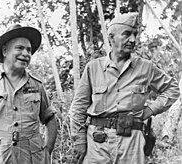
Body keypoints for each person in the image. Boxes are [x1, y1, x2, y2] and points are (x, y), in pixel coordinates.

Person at [69, 12, 180, 164]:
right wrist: (79, 141)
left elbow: (172, 88)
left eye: (135, 34)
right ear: (111, 37)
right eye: (127, 34)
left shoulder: (145, 67)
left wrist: (151, 110)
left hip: (131, 144)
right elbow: (78, 107)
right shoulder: (93, 68)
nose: (133, 40)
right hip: (97, 143)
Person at [0, 24, 58, 164]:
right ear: (5, 51)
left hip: (31, 158)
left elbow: (50, 118)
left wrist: (47, 152)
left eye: (29, 50)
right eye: (19, 48)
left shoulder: (37, 85)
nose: (26, 54)